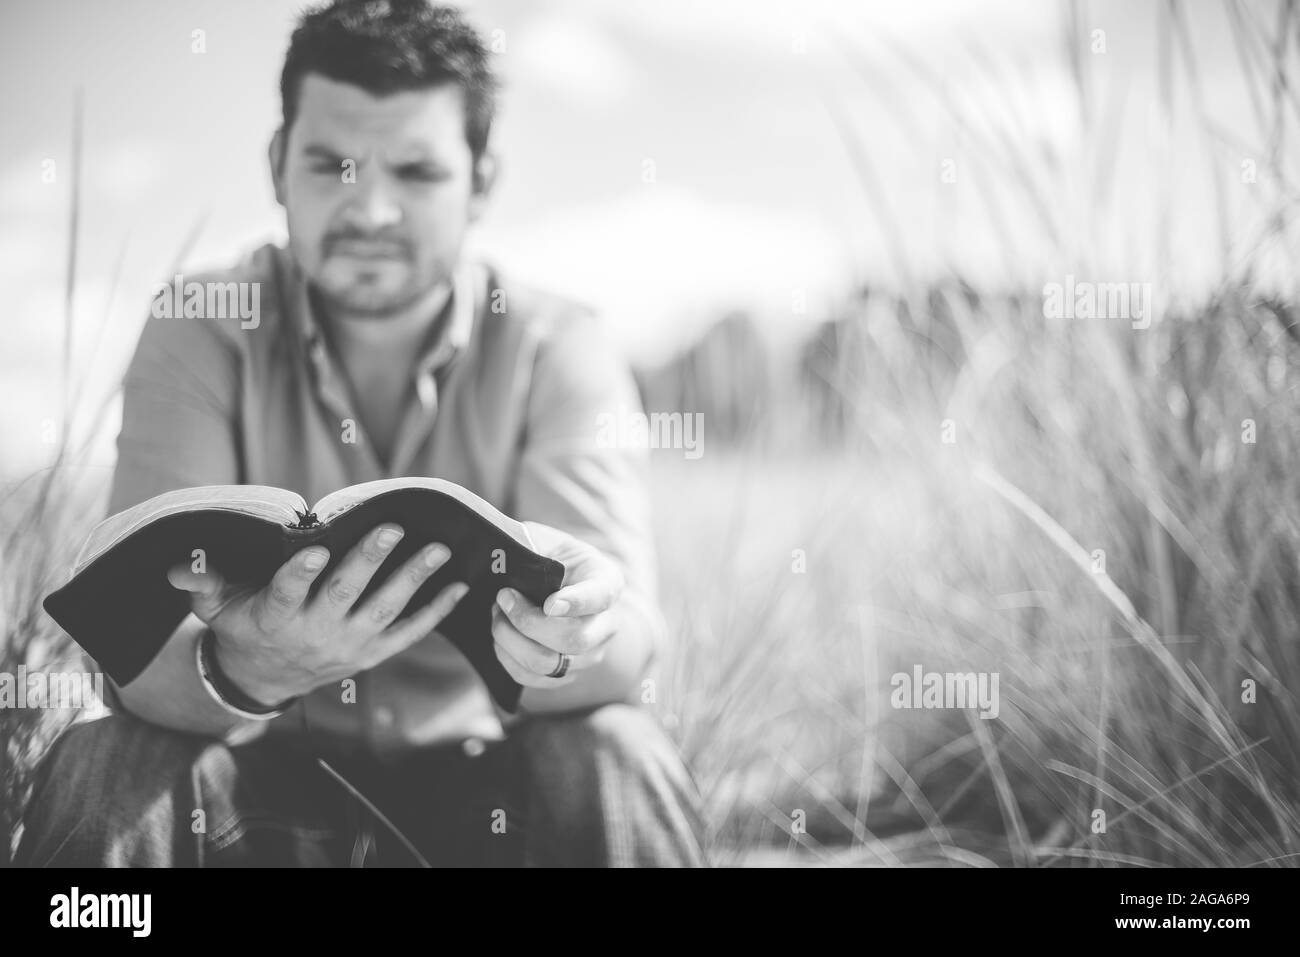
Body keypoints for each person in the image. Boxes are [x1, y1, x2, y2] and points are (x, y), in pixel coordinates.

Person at [17, 0, 708, 868]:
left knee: (617, 748)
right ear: (277, 166)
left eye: (416, 171)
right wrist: (251, 669)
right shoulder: (200, 323)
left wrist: (576, 636)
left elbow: (629, 648)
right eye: (332, 164)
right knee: (106, 757)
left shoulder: (557, 348)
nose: (371, 209)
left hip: (485, 797)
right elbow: (137, 667)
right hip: (251, 795)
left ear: (483, 181)